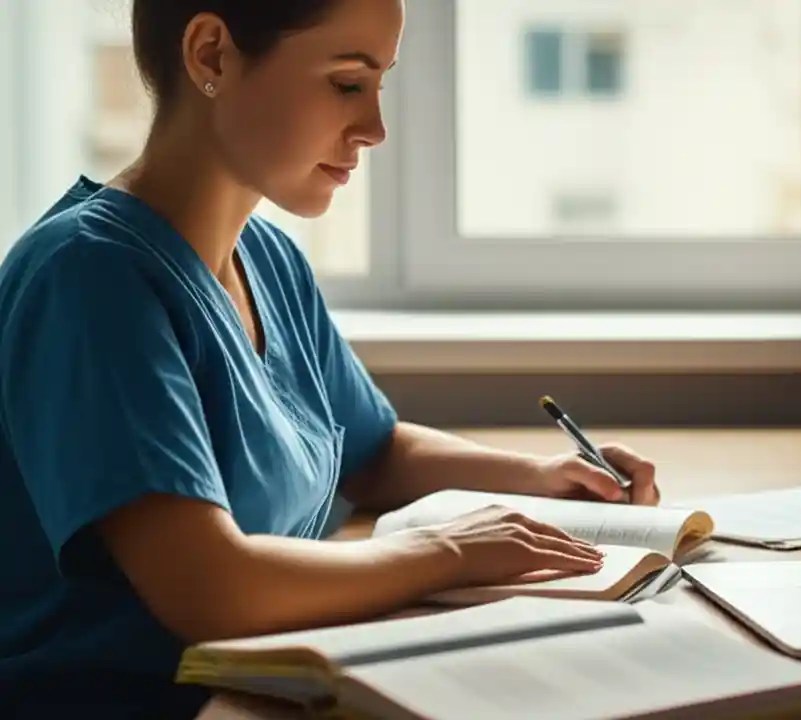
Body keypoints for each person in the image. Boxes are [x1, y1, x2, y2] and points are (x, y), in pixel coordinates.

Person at [0, 0, 661, 716]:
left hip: (266, 688)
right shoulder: (88, 278)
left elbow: (372, 453)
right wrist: (451, 552)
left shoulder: (268, 259)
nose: (375, 128)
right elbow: (211, 589)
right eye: (348, 84)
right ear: (212, 56)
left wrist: (539, 480)